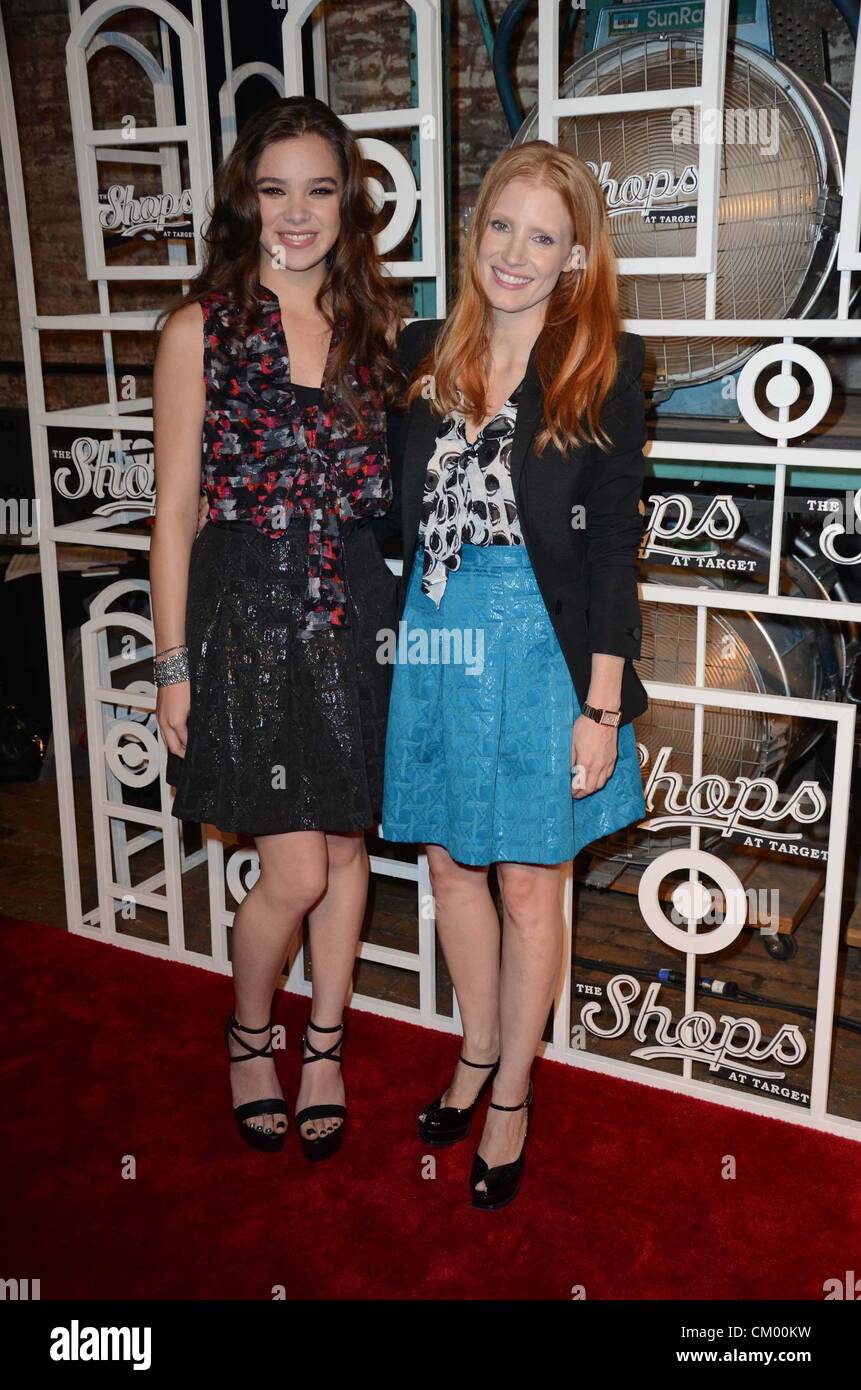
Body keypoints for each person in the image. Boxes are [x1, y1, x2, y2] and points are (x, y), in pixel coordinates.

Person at [381, 140, 649, 1209]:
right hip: (437, 625)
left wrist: (601, 704)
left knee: (532, 877)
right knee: (449, 862)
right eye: (502, 225)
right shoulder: (419, 350)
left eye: (544, 236)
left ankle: (515, 1094)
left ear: (576, 253)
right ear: (475, 226)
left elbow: (611, 543)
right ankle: (478, 1046)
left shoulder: (607, 362)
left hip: (543, 636)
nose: (516, 252)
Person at [150, 95, 402, 1160]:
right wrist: (172, 667)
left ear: (347, 202)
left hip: (353, 600)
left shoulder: (374, 328)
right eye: (274, 190)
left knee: (346, 850)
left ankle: (328, 1043)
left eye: (319, 189)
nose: (296, 214)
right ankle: (252, 1031)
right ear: (243, 201)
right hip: (245, 607)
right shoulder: (196, 327)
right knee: (293, 868)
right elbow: (170, 508)